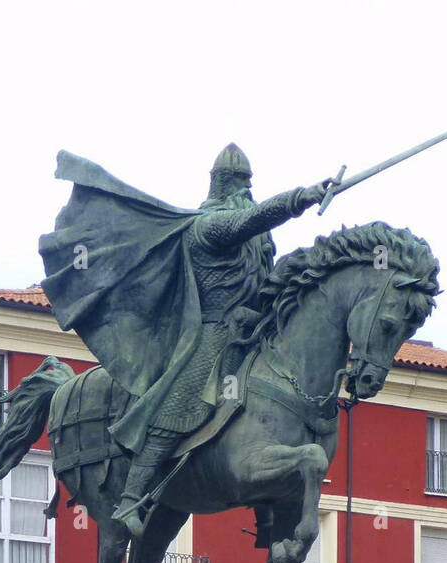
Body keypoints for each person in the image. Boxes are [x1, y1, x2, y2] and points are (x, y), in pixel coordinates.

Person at [39, 145, 331, 537]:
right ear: (227, 186)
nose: (247, 191)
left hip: (254, 331)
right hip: (211, 335)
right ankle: (132, 499)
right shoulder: (208, 227)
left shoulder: (256, 238)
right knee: (182, 405)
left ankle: (273, 507)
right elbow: (254, 217)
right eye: (242, 184)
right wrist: (302, 197)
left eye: (250, 184)